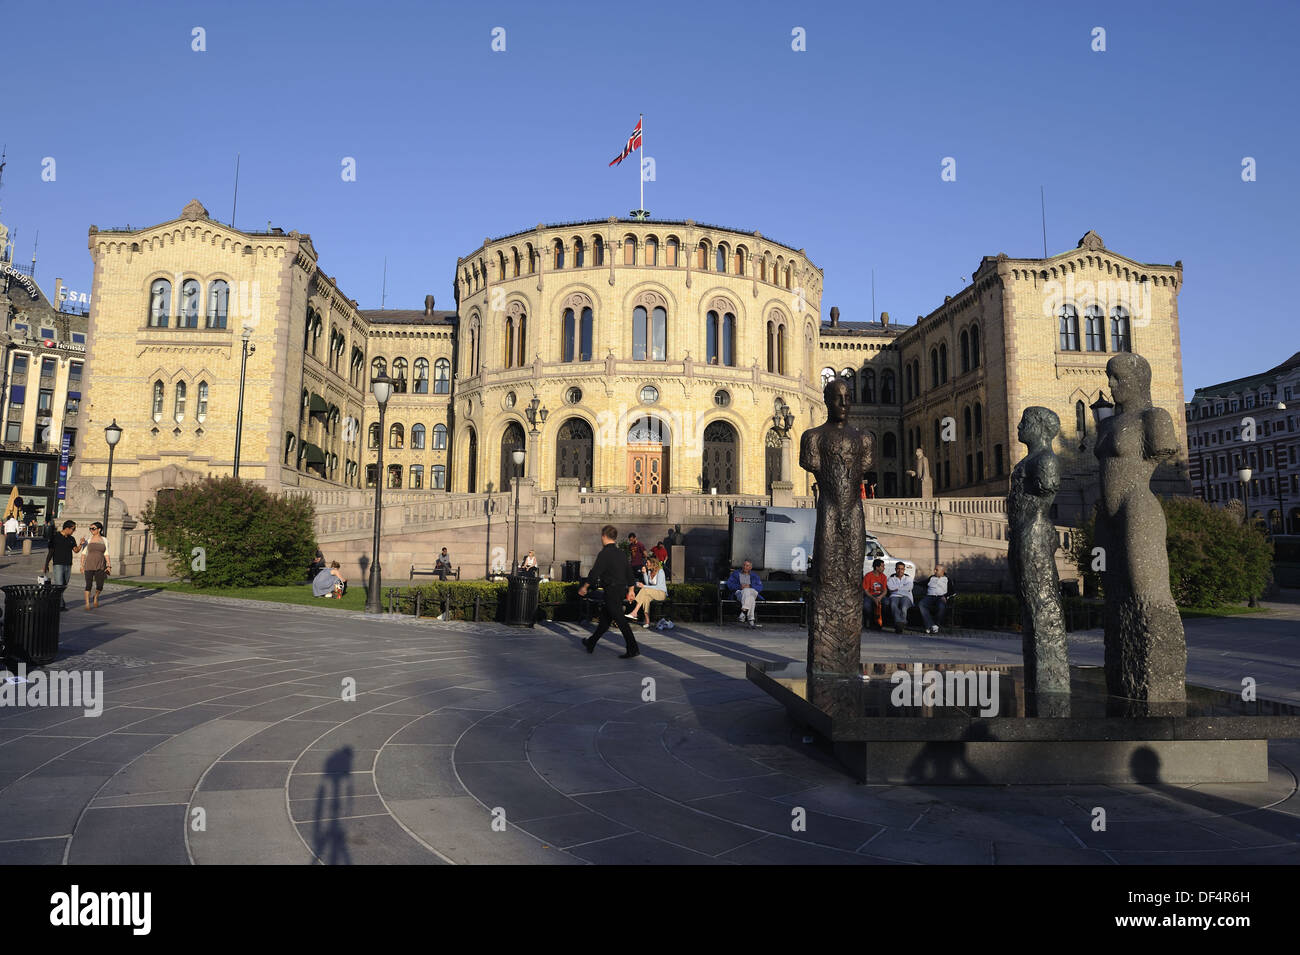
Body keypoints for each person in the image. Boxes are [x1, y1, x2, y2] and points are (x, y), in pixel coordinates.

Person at [577, 524, 640, 659]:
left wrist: (585, 586)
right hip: (620, 589)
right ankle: (591, 642)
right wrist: (631, 590)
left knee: (620, 620)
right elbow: (629, 573)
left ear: (604, 536)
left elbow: (595, 573)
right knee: (605, 620)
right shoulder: (621, 553)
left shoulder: (604, 553)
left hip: (611, 590)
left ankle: (633, 648)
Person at [42, 520, 81, 611]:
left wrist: (81, 545)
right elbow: (50, 552)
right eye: (73, 529)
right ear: (67, 528)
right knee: (59, 585)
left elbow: (75, 550)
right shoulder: (55, 537)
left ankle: (55, 600)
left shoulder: (71, 538)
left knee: (63, 585)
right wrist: (46, 564)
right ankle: (59, 605)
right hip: (58, 564)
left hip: (68, 564)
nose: (74, 531)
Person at [627, 556, 667, 627]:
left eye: (647, 562)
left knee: (644, 590)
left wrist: (644, 586)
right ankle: (647, 621)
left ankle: (634, 612)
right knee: (645, 598)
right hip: (652, 592)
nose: (646, 564)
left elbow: (658, 587)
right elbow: (648, 584)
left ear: (652, 563)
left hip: (661, 593)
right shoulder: (649, 572)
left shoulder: (660, 571)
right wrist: (644, 573)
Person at [79, 522, 111, 610]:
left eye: (93, 528)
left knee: (100, 585)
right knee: (88, 585)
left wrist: (109, 565)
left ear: (99, 529)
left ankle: (96, 596)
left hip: (101, 565)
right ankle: (87, 604)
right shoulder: (88, 540)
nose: (91, 530)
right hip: (89, 565)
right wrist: (82, 566)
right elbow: (83, 554)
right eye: (90, 529)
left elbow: (107, 553)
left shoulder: (104, 540)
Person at [725, 559, 764, 628]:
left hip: (751, 592)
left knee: (748, 591)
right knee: (750, 597)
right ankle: (750, 620)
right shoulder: (736, 574)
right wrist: (740, 586)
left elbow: (760, 587)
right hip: (739, 593)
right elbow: (729, 584)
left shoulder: (754, 576)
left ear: (750, 567)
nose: (745, 567)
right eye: (744, 565)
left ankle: (744, 612)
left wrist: (750, 586)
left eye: (747, 565)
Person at [919, 564, 950, 634]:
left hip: (940, 597)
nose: (934, 571)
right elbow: (923, 583)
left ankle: (934, 625)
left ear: (943, 571)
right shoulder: (931, 578)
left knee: (941, 607)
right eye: (934, 569)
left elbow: (952, 591)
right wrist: (913, 582)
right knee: (921, 604)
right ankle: (932, 625)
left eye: (936, 570)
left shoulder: (947, 579)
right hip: (929, 596)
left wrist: (945, 596)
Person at [885, 561, 914, 634]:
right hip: (894, 596)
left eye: (902, 569)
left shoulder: (908, 578)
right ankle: (899, 624)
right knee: (893, 605)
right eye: (898, 568)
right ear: (895, 569)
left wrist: (896, 589)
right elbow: (890, 588)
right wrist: (902, 588)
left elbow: (909, 587)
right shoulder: (891, 578)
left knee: (904, 607)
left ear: (904, 570)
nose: (900, 570)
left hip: (906, 597)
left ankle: (901, 624)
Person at [862, 558, 889, 631]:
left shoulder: (883, 576)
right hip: (870, 595)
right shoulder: (868, 576)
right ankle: (868, 620)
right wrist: (873, 598)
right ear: (877, 567)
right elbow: (866, 590)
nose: (884, 568)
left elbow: (885, 590)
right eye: (882, 566)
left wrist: (880, 597)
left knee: (886, 603)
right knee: (866, 606)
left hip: (880, 595)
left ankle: (882, 622)